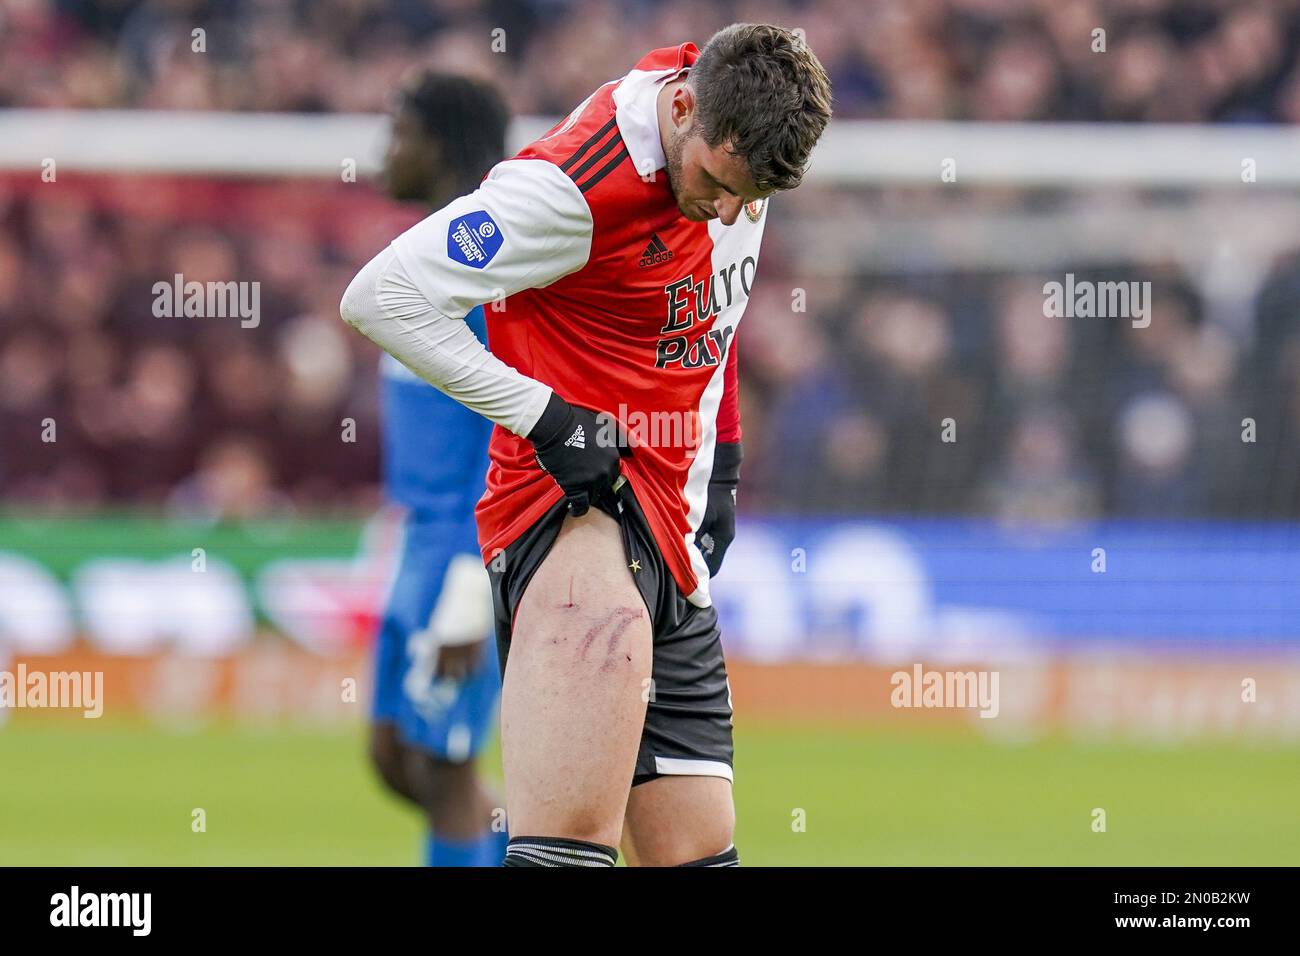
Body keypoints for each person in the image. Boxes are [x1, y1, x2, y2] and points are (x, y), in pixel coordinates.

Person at [343, 23, 831, 866]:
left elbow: (711, 318)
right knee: (557, 846)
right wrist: (546, 417)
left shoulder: (734, 138)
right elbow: (379, 297)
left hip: (667, 527)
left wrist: (723, 465)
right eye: (717, 183)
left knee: (694, 854)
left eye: (749, 198)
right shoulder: (566, 192)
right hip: (578, 517)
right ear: (681, 109)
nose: (727, 212)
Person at [366, 71, 510, 867]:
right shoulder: (418, 257)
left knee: (446, 767)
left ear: (440, 144)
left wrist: (474, 577)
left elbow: (518, 425)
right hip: (417, 542)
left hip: (466, 541)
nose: (383, 153)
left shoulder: (486, 266)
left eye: (398, 132)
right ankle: (545, 847)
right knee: (393, 755)